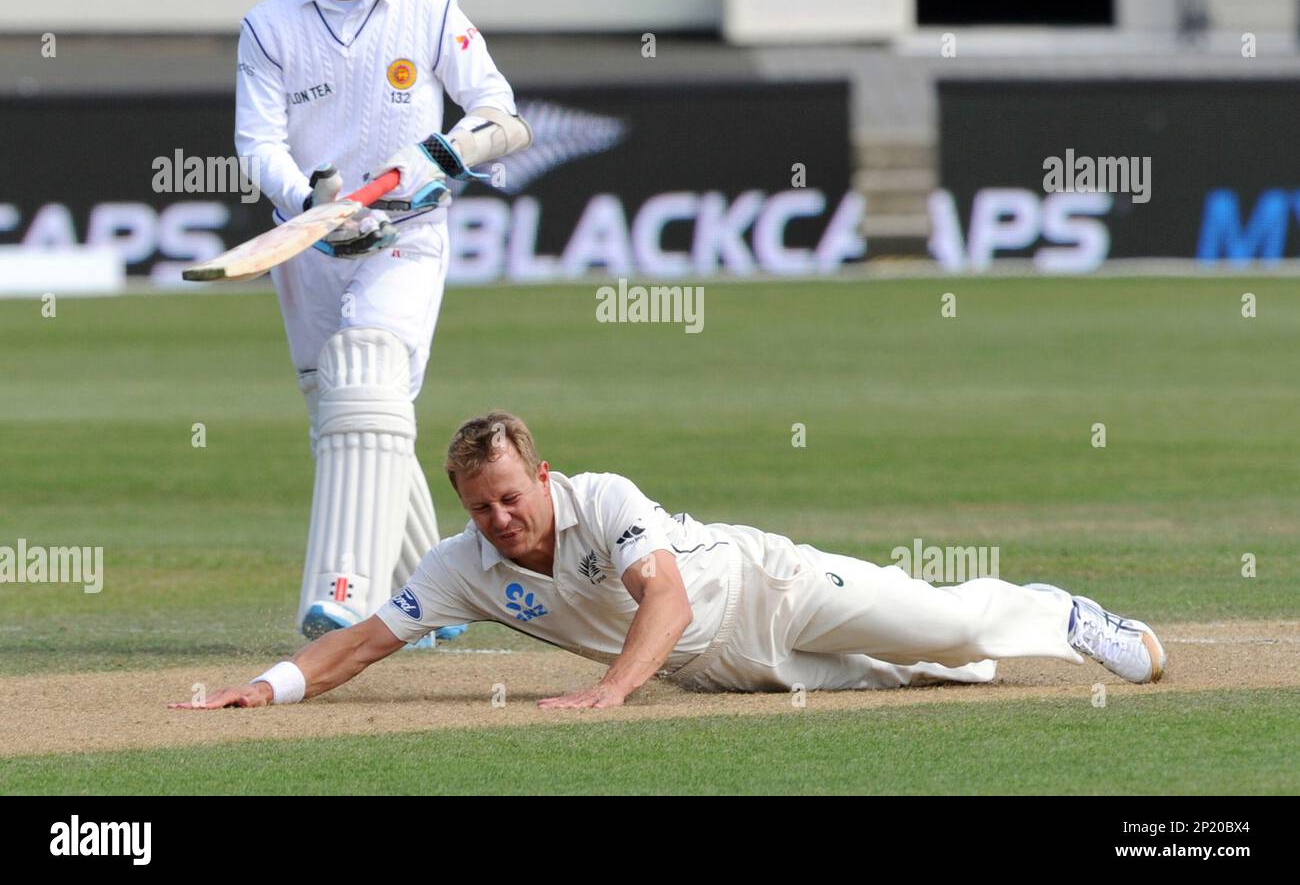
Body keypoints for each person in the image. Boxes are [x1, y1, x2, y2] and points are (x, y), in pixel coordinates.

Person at [170, 412, 1167, 712]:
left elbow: (666, 592)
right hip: (713, 667)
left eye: (510, 496)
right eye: (481, 505)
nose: (501, 518)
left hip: (767, 589)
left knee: (940, 621)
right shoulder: (464, 564)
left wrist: (610, 692)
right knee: (920, 674)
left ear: (541, 474)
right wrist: (269, 687)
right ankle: (1006, 641)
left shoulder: (602, 498)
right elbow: (367, 640)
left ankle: (1058, 612)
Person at [234, 0, 532, 647]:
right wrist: (312, 201)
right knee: (346, 406)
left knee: (367, 364)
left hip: (408, 230)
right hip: (312, 238)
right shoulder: (270, 26)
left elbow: (501, 112)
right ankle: (428, 595)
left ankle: (347, 592)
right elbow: (258, 144)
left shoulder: (429, 9)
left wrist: (445, 153)